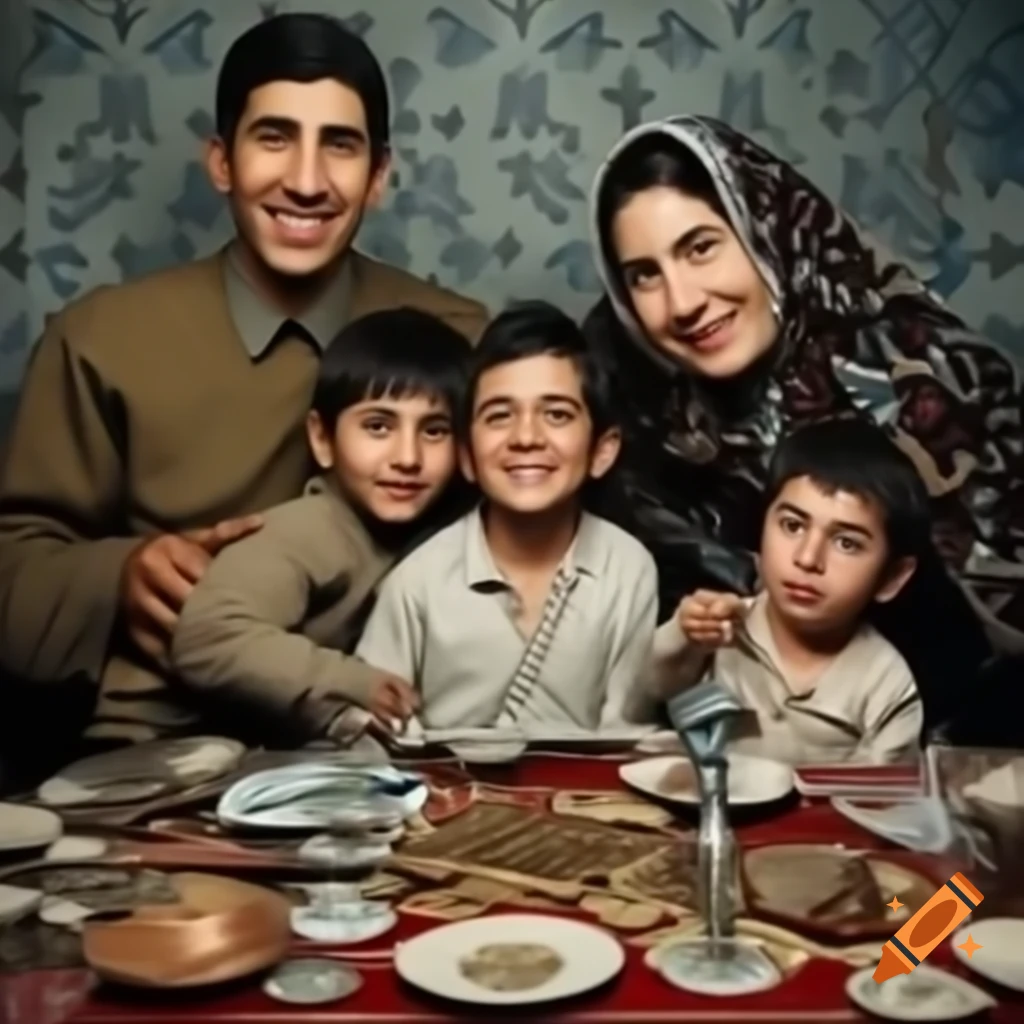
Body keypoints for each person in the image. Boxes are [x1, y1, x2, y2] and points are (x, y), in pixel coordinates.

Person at [0, 14, 487, 781]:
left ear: (381, 173)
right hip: (159, 761)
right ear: (222, 161)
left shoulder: (455, 337)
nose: (305, 179)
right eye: (273, 138)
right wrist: (119, 576)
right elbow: (14, 562)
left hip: (390, 752)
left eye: (340, 144)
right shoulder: (102, 338)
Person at [585, 114, 1016, 739]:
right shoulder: (637, 404)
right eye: (644, 275)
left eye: (701, 247)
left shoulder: (926, 374)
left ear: (769, 231)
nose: (681, 303)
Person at [145, 309, 469, 747]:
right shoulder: (305, 531)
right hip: (181, 751)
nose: (407, 456)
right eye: (378, 426)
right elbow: (208, 637)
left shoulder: (441, 540)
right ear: (322, 439)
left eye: (434, 431)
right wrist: (349, 680)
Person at [355, 302, 658, 732]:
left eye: (556, 415)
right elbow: (379, 732)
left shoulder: (628, 569)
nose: (526, 438)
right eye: (499, 416)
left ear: (602, 450)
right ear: (466, 456)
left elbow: (626, 726)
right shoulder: (417, 581)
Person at [652, 419, 926, 765]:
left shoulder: (886, 683)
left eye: (846, 543)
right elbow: (641, 697)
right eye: (792, 526)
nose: (808, 558)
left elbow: (887, 803)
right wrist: (683, 637)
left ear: (892, 577)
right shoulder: (720, 629)